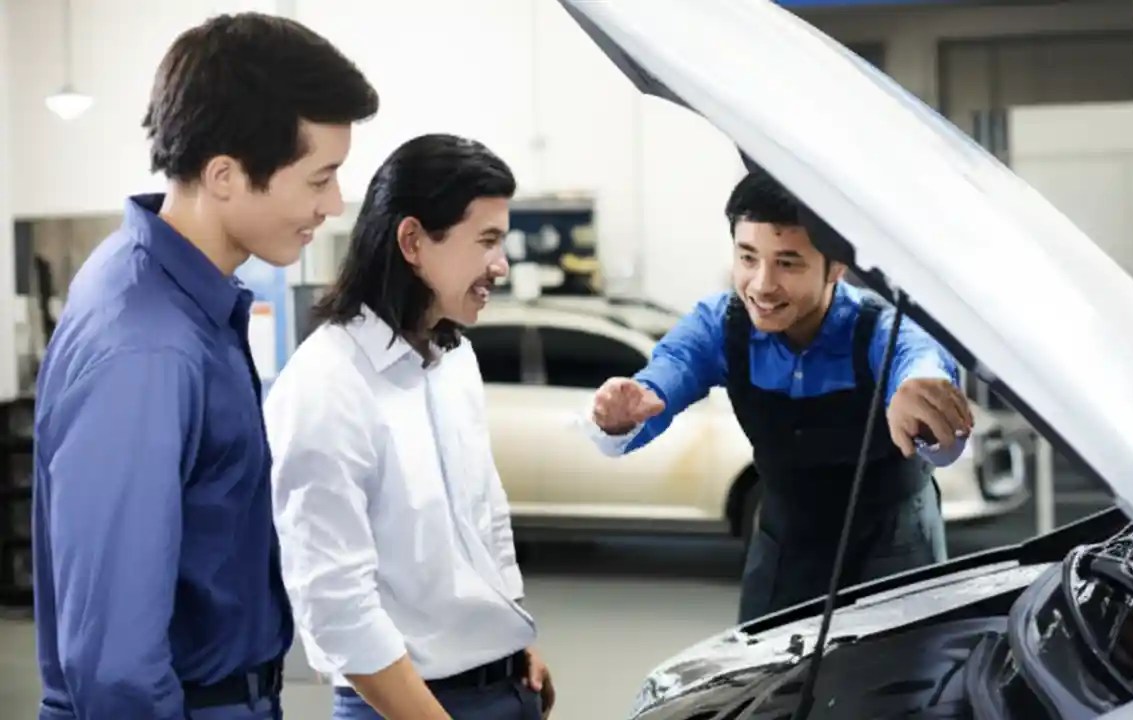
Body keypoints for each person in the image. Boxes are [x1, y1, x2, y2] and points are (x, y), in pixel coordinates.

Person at [30, 13, 377, 720]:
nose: (333, 205)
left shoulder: (180, 298)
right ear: (225, 175)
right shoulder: (148, 347)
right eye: (320, 178)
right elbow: (117, 669)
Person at [586, 171, 975, 624]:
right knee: (769, 683)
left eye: (788, 263)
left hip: (897, 540)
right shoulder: (720, 324)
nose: (762, 284)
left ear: (837, 267)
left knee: (905, 682)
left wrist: (919, 395)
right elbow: (670, 370)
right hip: (787, 540)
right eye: (748, 258)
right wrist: (628, 409)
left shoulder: (879, 328)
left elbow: (919, 360)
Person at [263, 134, 554, 720]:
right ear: (414, 241)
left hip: (502, 684)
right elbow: (335, 601)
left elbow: (485, 514)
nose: (502, 264)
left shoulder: (453, 360)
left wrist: (514, 633)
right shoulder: (327, 384)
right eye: (487, 241)